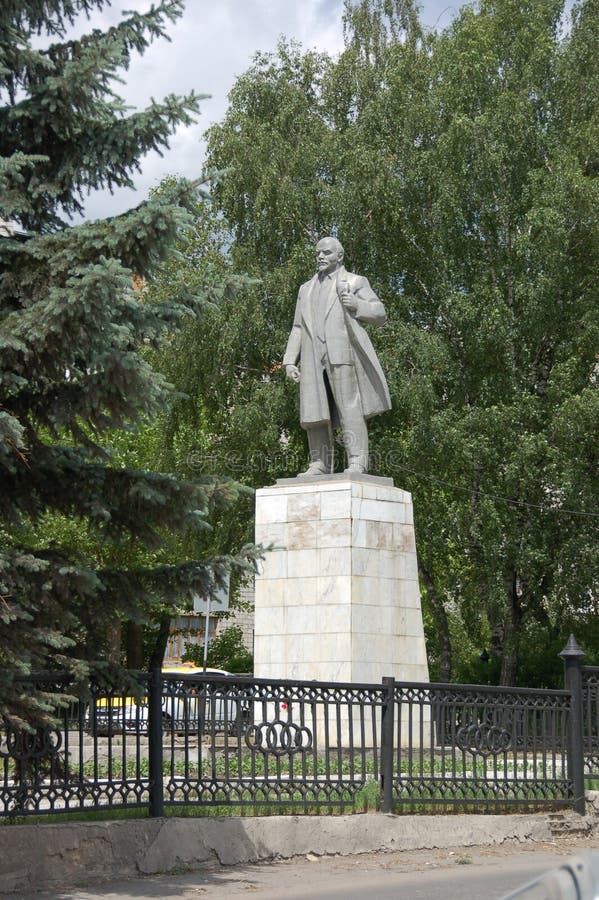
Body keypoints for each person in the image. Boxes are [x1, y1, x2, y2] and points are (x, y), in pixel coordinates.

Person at [283, 236, 391, 475]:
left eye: (326, 253)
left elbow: (380, 313)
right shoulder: (305, 289)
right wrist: (290, 359)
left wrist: (356, 305)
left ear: (339, 256)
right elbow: (298, 327)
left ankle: (357, 461)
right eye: (318, 253)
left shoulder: (354, 282)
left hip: (341, 353)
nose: (320, 257)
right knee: (314, 410)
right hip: (312, 357)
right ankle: (319, 463)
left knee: (349, 406)